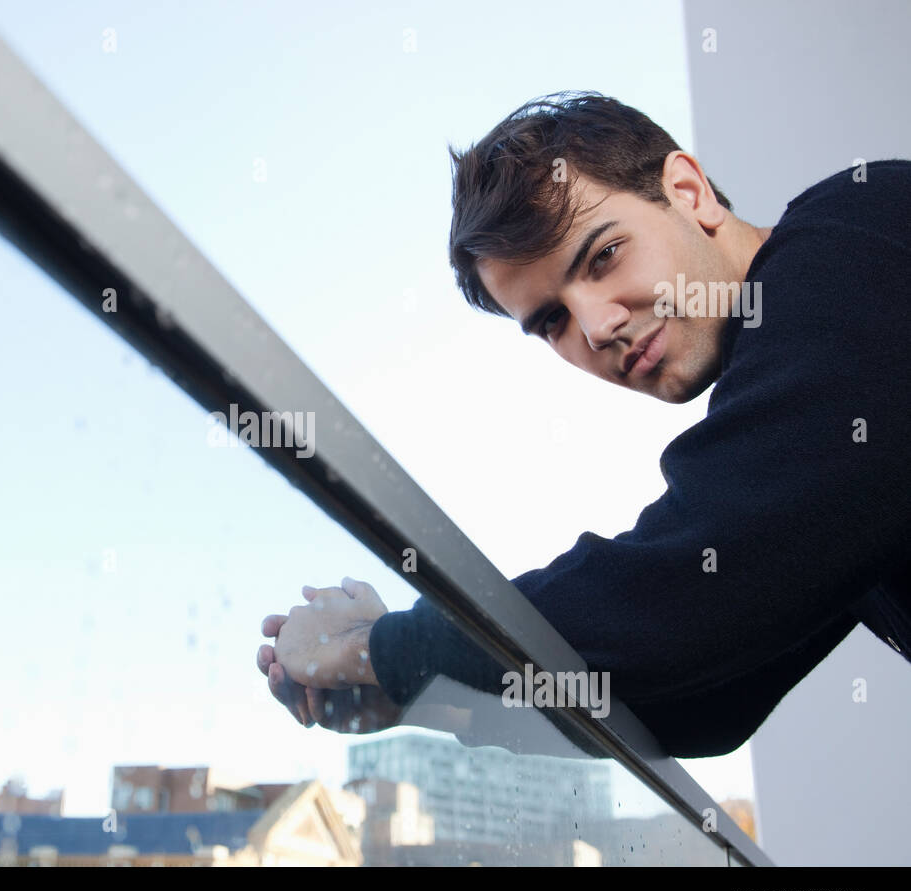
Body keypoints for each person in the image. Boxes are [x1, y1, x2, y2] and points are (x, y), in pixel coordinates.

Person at [256, 92, 911, 758]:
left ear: (689, 192)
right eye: (552, 321)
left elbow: (693, 583)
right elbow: (707, 700)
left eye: (603, 258)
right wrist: (417, 700)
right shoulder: (825, 452)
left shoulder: (863, 231)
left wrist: (379, 648)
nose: (598, 327)